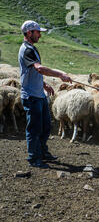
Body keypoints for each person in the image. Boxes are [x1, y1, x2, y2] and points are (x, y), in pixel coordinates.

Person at [18, 20, 72, 168]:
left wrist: (43, 84)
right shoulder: (27, 50)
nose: (40, 35)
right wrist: (60, 74)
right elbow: (39, 68)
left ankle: (42, 152)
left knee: (46, 126)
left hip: (39, 94)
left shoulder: (32, 48)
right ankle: (33, 158)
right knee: (34, 128)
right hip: (31, 96)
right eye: (38, 32)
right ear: (29, 33)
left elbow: (31, 72)